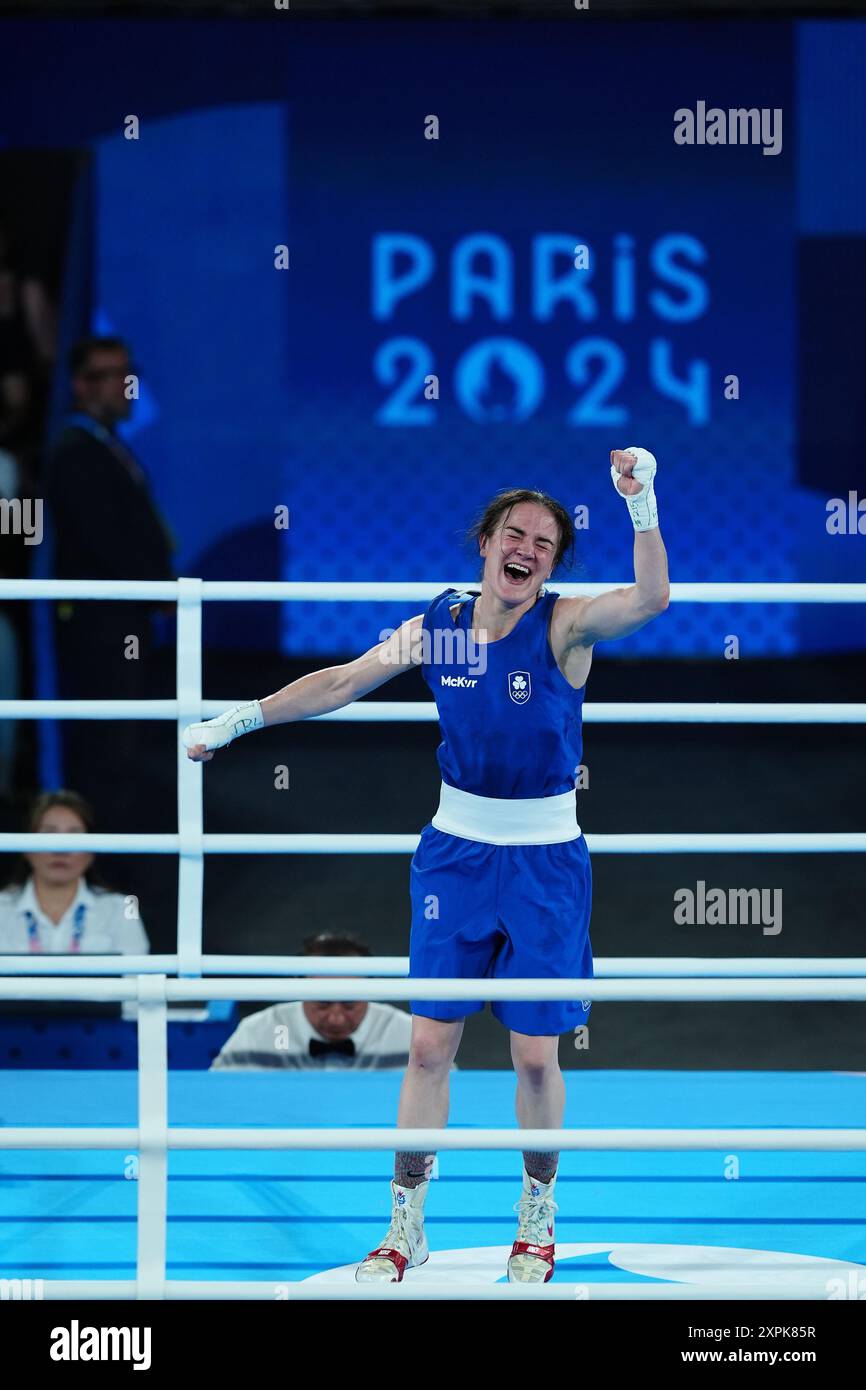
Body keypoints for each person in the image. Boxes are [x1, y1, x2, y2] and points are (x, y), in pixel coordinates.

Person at [182, 447, 669, 1284]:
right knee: (428, 1049)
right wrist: (242, 720)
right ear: (484, 543)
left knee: (534, 1058)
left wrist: (642, 502)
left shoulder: (565, 625)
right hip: (454, 857)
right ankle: (405, 1226)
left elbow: (653, 598)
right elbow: (342, 681)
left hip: (546, 861)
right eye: (513, 533)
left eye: (544, 543)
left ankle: (537, 1220)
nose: (525, 549)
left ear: (552, 563)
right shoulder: (437, 624)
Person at [43, 336, 175, 816]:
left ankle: (115, 868)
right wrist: (158, 587)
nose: (127, 385)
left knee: (121, 744)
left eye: (128, 371)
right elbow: (104, 540)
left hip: (123, 619)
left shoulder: (106, 446)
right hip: (99, 626)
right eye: (112, 375)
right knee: (104, 746)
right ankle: (101, 870)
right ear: (81, 384)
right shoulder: (76, 451)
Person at [211, 932, 414, 1071]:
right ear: (301, 990)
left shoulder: (408, 1034)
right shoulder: (259, 1032)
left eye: (349, 1004)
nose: (336, 1019)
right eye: (323, 1003)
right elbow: (216, 1099)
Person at [0, 788, 150, 956]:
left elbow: (136, 978)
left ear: (92, 850)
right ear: (25, 848)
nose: (62, 849)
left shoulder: (123, 907)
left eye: (74, 835)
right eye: (49, 834)